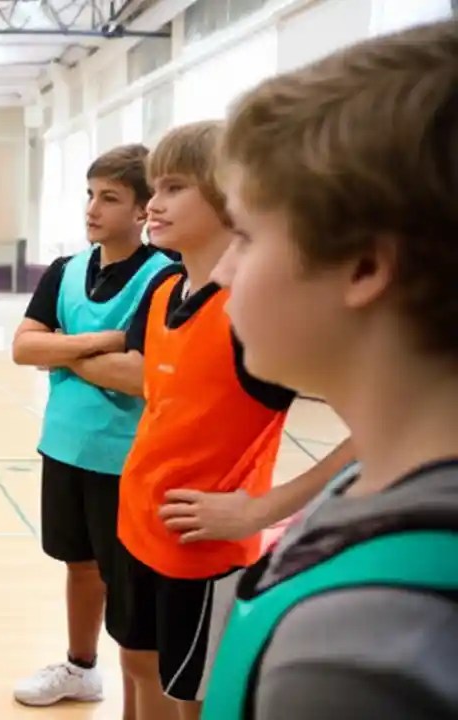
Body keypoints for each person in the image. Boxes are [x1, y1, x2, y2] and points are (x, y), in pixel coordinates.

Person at [195, 20, 458, 719]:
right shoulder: (370, 482)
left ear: (365, 266)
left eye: (245, 237)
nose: (222, 272)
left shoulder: (358, 660)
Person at [108, 121, 354, 720]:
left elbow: (374, 428)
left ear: (230, 198)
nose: (154, 204)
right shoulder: (165, 291)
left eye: (173, 188)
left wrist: (261, 511)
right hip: (137, 524)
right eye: (153, 188)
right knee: (136, 665)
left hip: (203, 549)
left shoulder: (255, 313)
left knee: (189, 698)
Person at [10, 144, 174, 712]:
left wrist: (61, 352)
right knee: (77, 565)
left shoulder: (164, 277)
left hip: (124, 458)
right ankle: (81, 668)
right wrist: (102, 342)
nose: (92, 208)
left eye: (109, 198)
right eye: (89, 194)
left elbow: (139, 374)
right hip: (65, 448)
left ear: (141, 211)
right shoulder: (66, 271)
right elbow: (22, 347)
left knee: (126, 585)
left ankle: (137, 696)